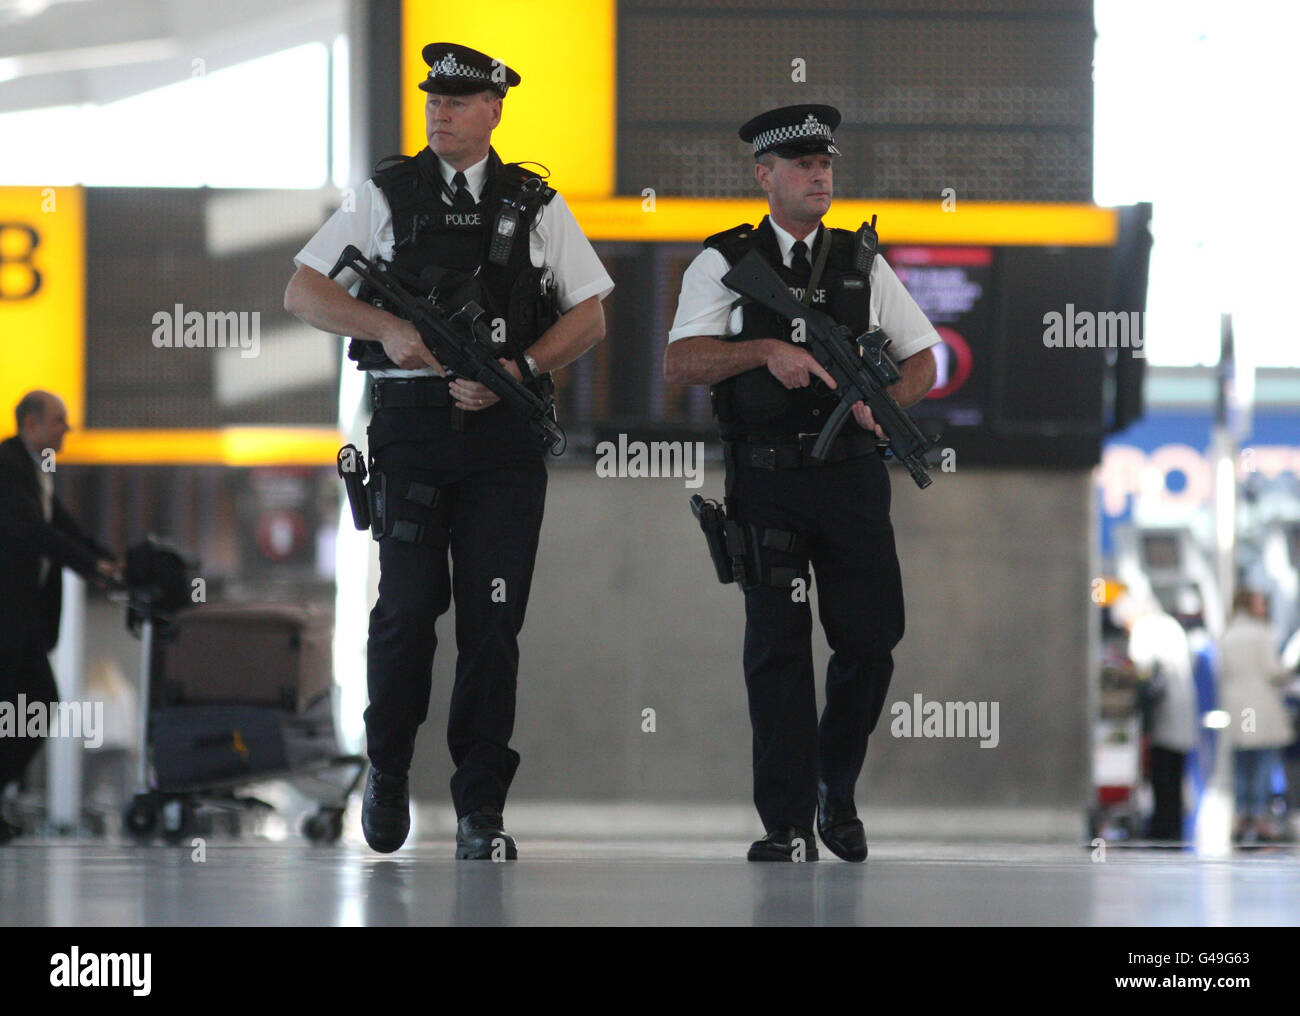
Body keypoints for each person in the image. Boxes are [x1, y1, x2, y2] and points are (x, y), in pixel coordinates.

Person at [285, 43, 612, 858]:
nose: (440, 110)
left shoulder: (533, 202)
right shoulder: (385, 195)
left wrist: (520, 368)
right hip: (412, 436)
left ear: (494, 111)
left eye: (459, 101)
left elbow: (592, 314)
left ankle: (480, 812)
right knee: (403, 617)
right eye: (434, 98)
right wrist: (387, 327)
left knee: (493, 627)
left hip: (501, 440)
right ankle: (388, 771)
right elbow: (304, 290)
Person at [663, 105, 938, 861]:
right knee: (779, 652)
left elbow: (923, 359)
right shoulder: (724, 261)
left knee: (871, 642)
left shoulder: (861, 261)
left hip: (850, 479)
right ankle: (784, 823)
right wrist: (761, 352)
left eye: (826, 164)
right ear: (765, 176)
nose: (820, 175)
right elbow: (682, 362)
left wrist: (882, 406)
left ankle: (833, 789)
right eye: (802, 165)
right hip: (769, 481)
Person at [0, 391, 120, 844]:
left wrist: (109, 564)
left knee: (34, 705)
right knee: (34, 703)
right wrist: (93, 567)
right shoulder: (8, 467)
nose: (66, 430)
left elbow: (66, 529)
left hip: (22, 624)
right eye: (58, 421)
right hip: (8, 621)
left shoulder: (37, 470)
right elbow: (34, 533)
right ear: (30, 425)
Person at [1115, 593, 1199, 841]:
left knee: (1162, 776)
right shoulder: (1170, 624)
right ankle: (1173, 828)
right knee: (1175, 774)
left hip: (1163, 714)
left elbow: (1142, 671)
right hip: (1182, 707)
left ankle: (1162, 829)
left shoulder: (1145, 629)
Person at [1219, 589, 1293, 842]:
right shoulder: (1261, 634)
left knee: (1241, 763)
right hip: (1258, 707)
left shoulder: (1228, 635)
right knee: (1261, 762)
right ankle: (1260, 817)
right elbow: (1273, 670)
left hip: (1239, 709)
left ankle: (1241, 817)